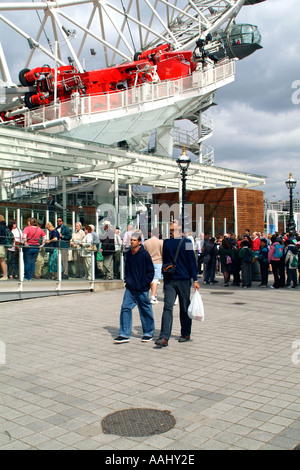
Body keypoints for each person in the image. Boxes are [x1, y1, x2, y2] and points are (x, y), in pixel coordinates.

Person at [155, 219, 200, 348]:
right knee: (167, 307)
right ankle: (164, 337)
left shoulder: (187, 242)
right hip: (170, 279)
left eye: (173, 222)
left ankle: (185, 333)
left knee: (184, 307)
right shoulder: (166, 242)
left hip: (184, 280)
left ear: (179, 227)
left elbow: (192, 261)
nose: (170, 223)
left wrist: (195, 279)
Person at [114, 232, 155, 344]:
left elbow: (150, 272)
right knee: (125, 308)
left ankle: (148, 333)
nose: (132, 242)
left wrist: (144, 284)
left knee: (145, 310)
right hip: (130, 288)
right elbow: (127, 269)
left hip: (142, 289)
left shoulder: (145, 254)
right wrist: (127, 280)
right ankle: (124, 334)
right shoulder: (129, 254)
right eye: (131, 240)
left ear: (139, 242)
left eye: (134, 240)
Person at [144, 228, 163, 304]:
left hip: (148, 262)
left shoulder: (146, 242)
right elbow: (162, 253)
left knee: (148, 279)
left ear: (150, 233)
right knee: (155, 280)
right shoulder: (161, 242)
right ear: (158, 234)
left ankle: (146, 295)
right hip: (158, 261)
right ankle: (153, 296)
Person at [0, 214, 9, 280]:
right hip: (3, 245)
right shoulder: (5, 226)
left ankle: (5, 276)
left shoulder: (0, 227)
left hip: (1, 245)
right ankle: (5, 275)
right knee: (3, 260)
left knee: (2, 260)